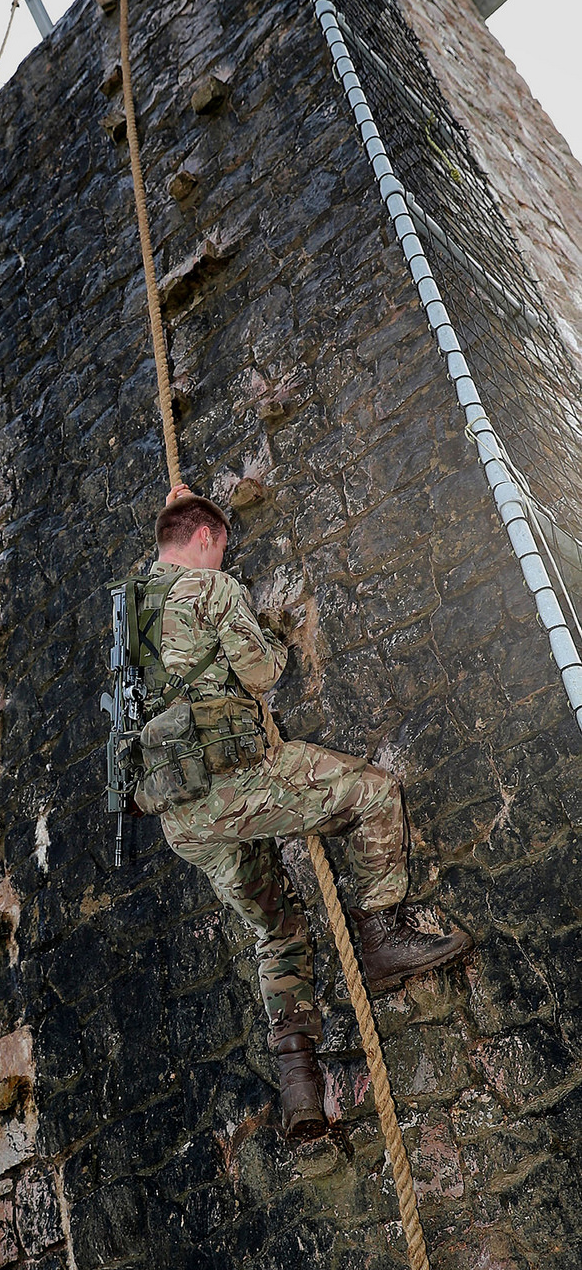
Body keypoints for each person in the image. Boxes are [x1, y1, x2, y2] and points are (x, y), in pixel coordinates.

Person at [149, 486, 473, 1139]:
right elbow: (263, 673)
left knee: (275, 931)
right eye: (221, 546)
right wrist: (269, 631)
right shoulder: (211, 591)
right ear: (207, 542)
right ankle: (380, 939)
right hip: (239, 785)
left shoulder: (131, 605)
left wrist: (176, 510)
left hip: (178, 816)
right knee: (373, 793)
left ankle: (298, 1079)